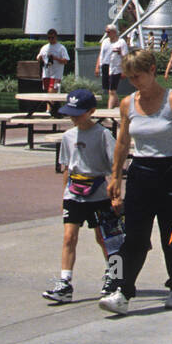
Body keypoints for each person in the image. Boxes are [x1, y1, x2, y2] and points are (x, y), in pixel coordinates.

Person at [100, 48, 172, 316]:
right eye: (130, 78)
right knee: (133, 237)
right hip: (140, 171)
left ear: (153, 70)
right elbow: (122, 142)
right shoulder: (127, 103)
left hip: (168, 171)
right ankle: (122, 290)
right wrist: (116, 177)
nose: (134, 82)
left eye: (138, 76)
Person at [42, 88, 116, 304]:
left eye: (78, 113)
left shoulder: (103, 135)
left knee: (107, 239)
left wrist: (115, 194)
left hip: (99, 194)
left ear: (91, 111)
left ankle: (115, 276)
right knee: (68, 237)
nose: (74, 118)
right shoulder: (68, 136)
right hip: (74, 194)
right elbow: (66, 167)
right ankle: (65, 283)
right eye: (71, 113)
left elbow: (115, 166)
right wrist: (65, 192)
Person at [96, 25, 128, 108]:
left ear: (114, 32)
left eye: (108, 32)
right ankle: (119, 107)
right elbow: (101, 54)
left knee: (112, 91)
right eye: (106, 32)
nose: (107, 34)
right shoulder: (105, 41)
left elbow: (126, 57)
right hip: (105, 66)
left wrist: (124, 70)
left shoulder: (121, 42)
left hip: (115, 68)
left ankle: (108, 110)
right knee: (110, 90)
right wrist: (97, 66)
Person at [37, 29, 70, 94]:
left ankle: (50, 104)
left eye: (52, 37)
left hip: (56, 74)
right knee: (47, 93)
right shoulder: (44, 47)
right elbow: (39, 57)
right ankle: (54, 104)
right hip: (46, 74)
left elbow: (66, 61)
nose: (51, 39)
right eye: (49, 38)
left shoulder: (61, 48)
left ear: (56, 37)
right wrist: (39, 58)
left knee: (51, 93)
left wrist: (56, 58)